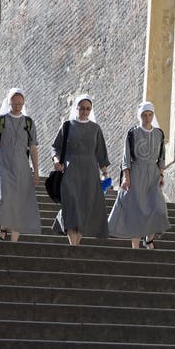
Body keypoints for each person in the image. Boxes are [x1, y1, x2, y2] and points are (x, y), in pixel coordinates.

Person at [108, 101, 170, 249]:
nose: (147, 118)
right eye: (144, 115)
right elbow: (126, 157)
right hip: (136, 173)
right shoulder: (132, 133)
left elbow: (162, 156)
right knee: (137, 211)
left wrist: (161, 176)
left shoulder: (159, 133)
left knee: (158, 209)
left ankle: (148, 240)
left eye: (150, 114)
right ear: (140, 116)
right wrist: (127, 178)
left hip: (153, 175)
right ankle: (135, 248)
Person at [51, 94, 110, 246]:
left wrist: (105, 174)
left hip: (90, 174)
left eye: (88, 109)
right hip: (70, 173)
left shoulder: (96, 128)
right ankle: (73, 245)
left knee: (84, 210)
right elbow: (55, 148)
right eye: (82, 108)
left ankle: (75, 246)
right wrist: (57, 161)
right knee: (71, 207)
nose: (84, 111)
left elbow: (101, 153)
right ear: (76, 108)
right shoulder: (67, 126)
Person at [0, 87, 41, 242]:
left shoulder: (29, 123)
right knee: (3, 196)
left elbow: (34, 148)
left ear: (23, 103)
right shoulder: (0, 121)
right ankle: (3, 228)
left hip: (22, 166)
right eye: (14, 103)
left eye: (20, 103)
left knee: (19, 201)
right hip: (3, 164)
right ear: (8, 102)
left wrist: (36, 171)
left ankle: (13, 242)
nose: (17, 106)